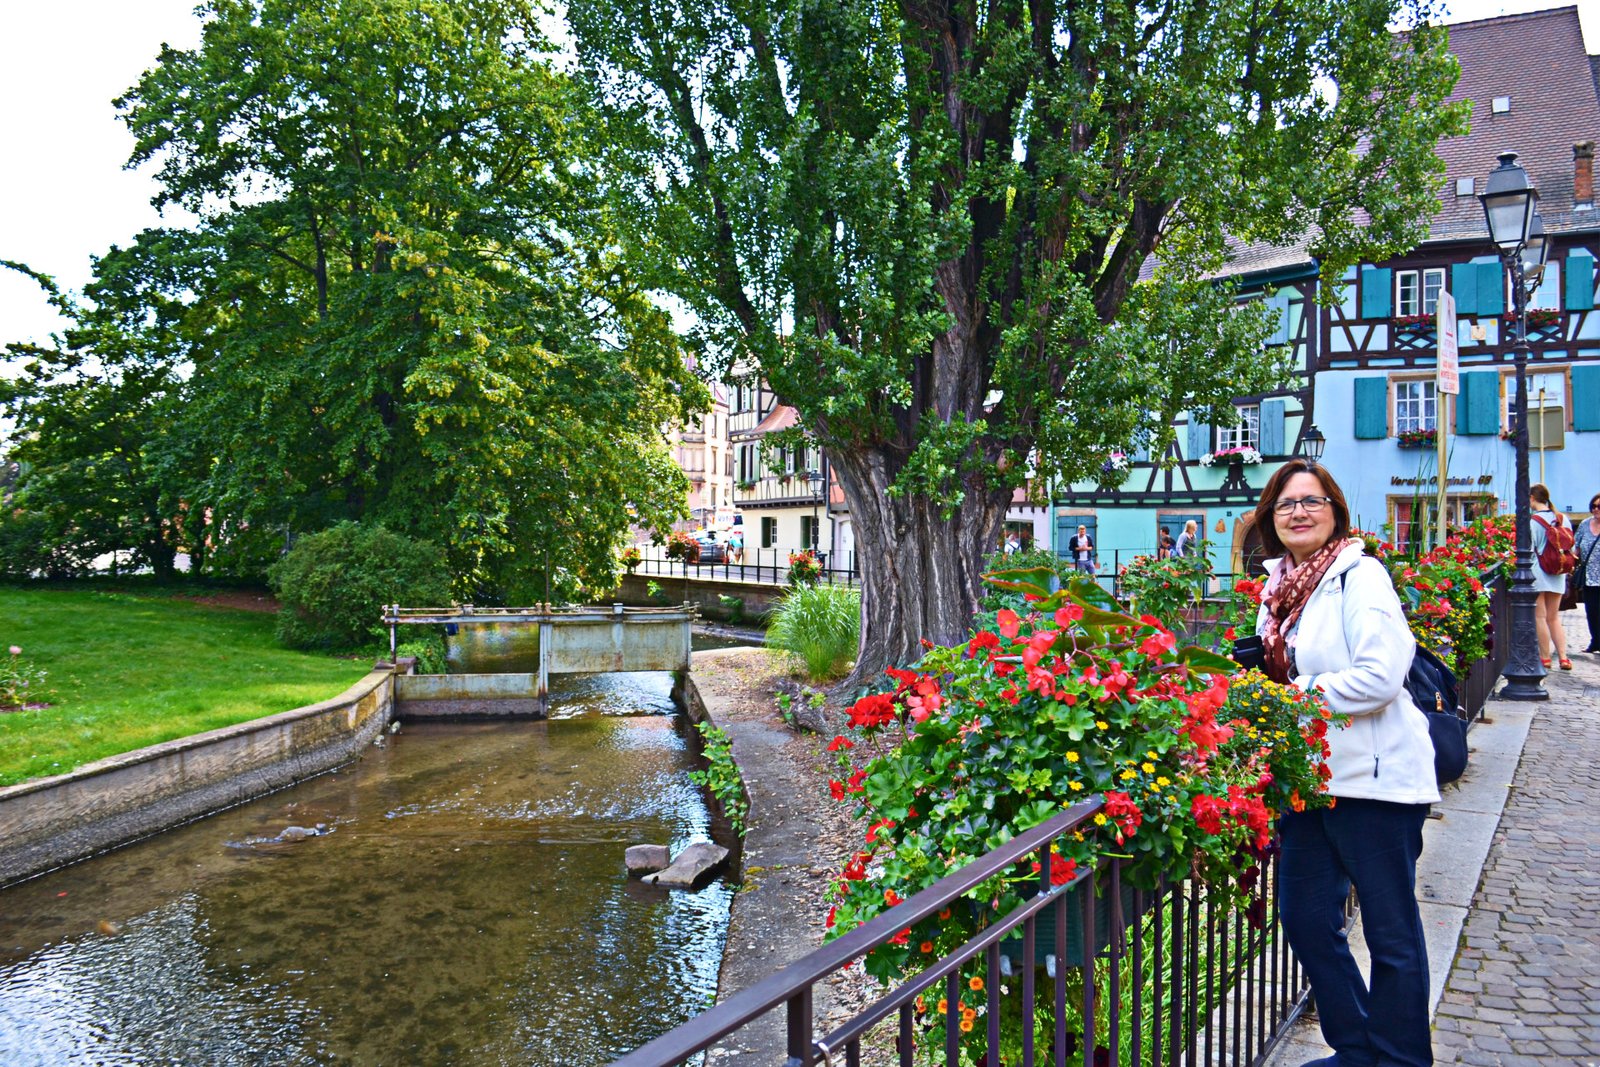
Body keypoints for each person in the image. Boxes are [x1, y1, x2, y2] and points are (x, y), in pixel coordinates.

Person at [1255, 459, 1439, 1067]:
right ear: (1270, 518)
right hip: (1309, 779)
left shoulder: (1359, 577)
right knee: (1305, 916)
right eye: (1286, 504)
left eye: (1311, 501)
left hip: (1376, 779)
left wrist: (1285, 696)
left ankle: (1402, 1058)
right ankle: (1358, 1046)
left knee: (1390, 932)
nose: (1298, 512)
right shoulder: (1278, 587)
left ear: (1334, 511)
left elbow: (1381, 677)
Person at [1529, 483, 1572, 670]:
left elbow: (1530, 549)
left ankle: (1545, 658)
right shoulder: (1563, 518)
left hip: (1539, 571)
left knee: (1540, 616)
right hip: (1558, 570)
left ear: (1532, 498)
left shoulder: (1533, 521)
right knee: (1553, 617)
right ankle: (1563, 657)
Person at [1575, 493, 1600, 654]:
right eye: (1594, 506)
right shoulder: (1584, 525)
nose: (1596, 509)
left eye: (1599, 507)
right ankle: (1595, 641)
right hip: (1589, 578)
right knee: (1592, 611)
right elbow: (1576, 547)